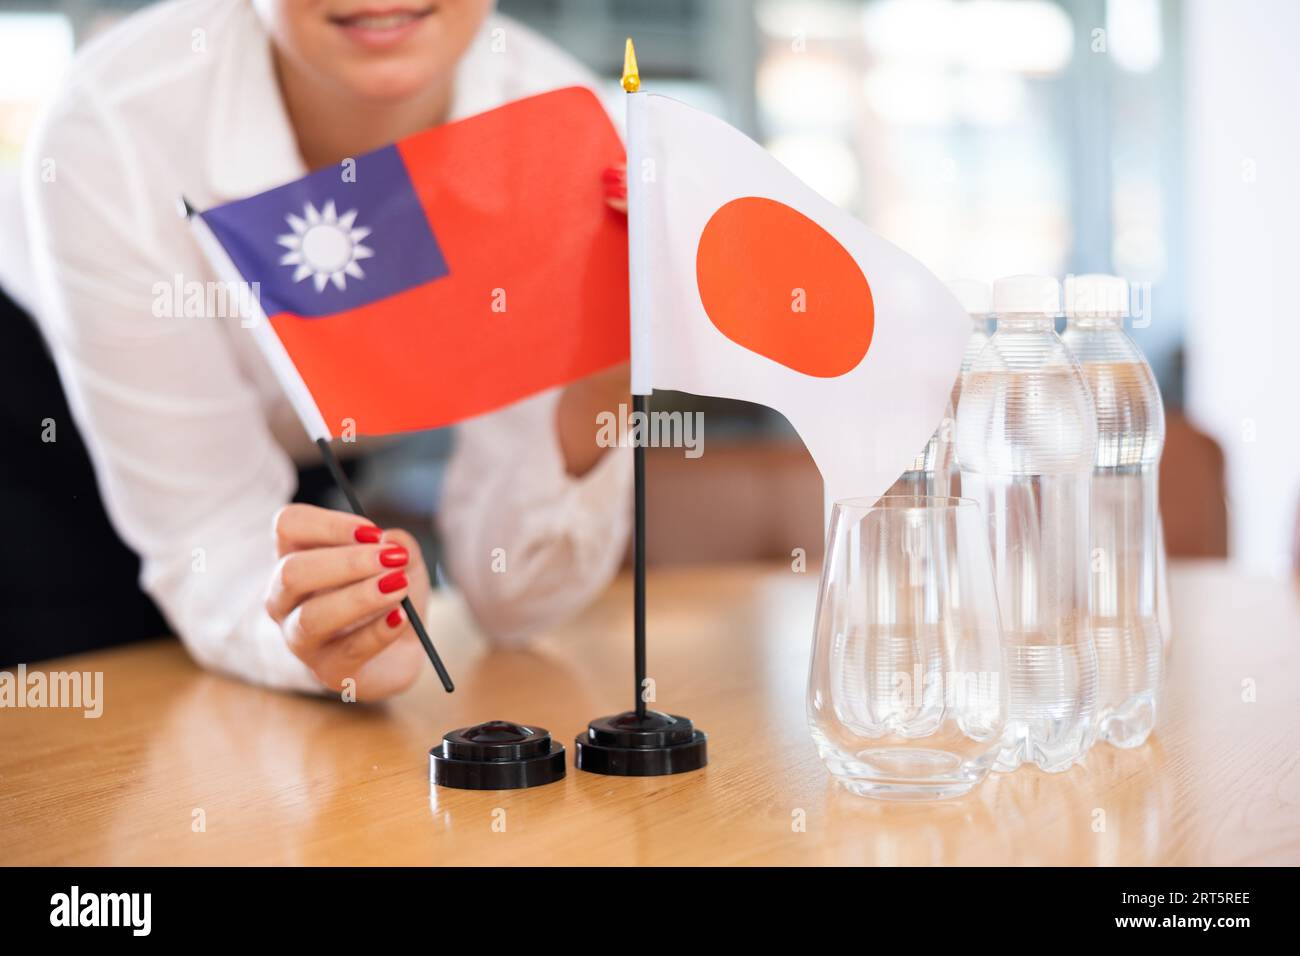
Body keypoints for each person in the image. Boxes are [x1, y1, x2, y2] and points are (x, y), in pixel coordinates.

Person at [22, 0, 633, 700]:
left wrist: (608, 373)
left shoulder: (567, 133)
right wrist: (299, 642)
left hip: (317, 454)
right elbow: (207, 531)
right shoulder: (118, 125)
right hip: (51, 437)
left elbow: (515, 601)